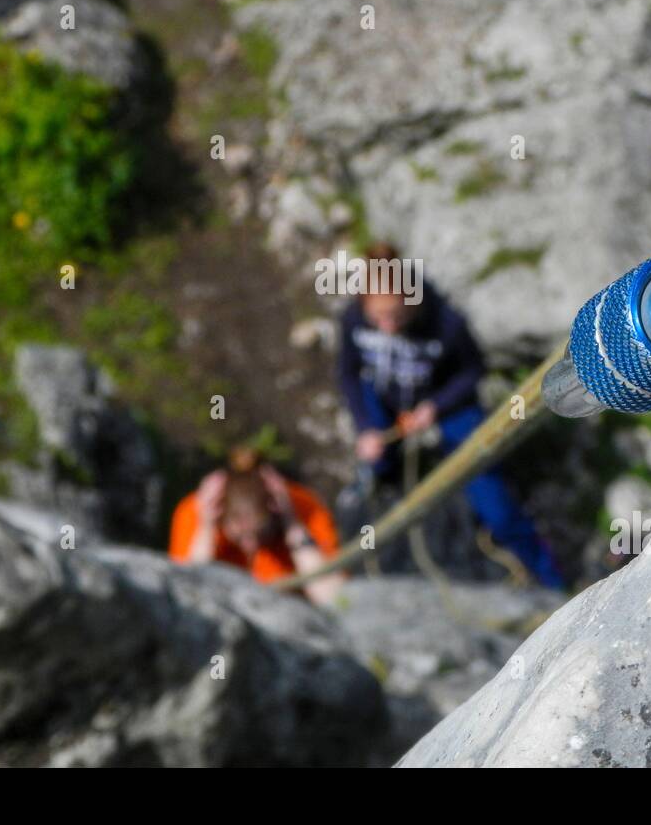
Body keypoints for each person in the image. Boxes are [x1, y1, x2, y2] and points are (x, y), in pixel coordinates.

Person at [336, 242, 565, 589]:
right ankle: (381, 474)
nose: (387, 327)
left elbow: (474, 370)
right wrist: (366, 427)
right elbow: (348, 373)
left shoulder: (445, 323)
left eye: (397, 317)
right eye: (378, 317)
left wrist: (435, 407)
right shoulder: (353, 319)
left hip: (445, 403)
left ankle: (548, 577)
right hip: (386, 397)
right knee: (378, 457)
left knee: (493, 502)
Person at [168, 447, 345, 605]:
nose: (250, 545)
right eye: (238, 536)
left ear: (275, 509)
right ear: (219, 513)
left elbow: (335, 599)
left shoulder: (305, 508)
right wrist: (205, 530)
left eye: (260, 533)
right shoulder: (194, 513)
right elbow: (185, 597)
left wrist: (293, 525)